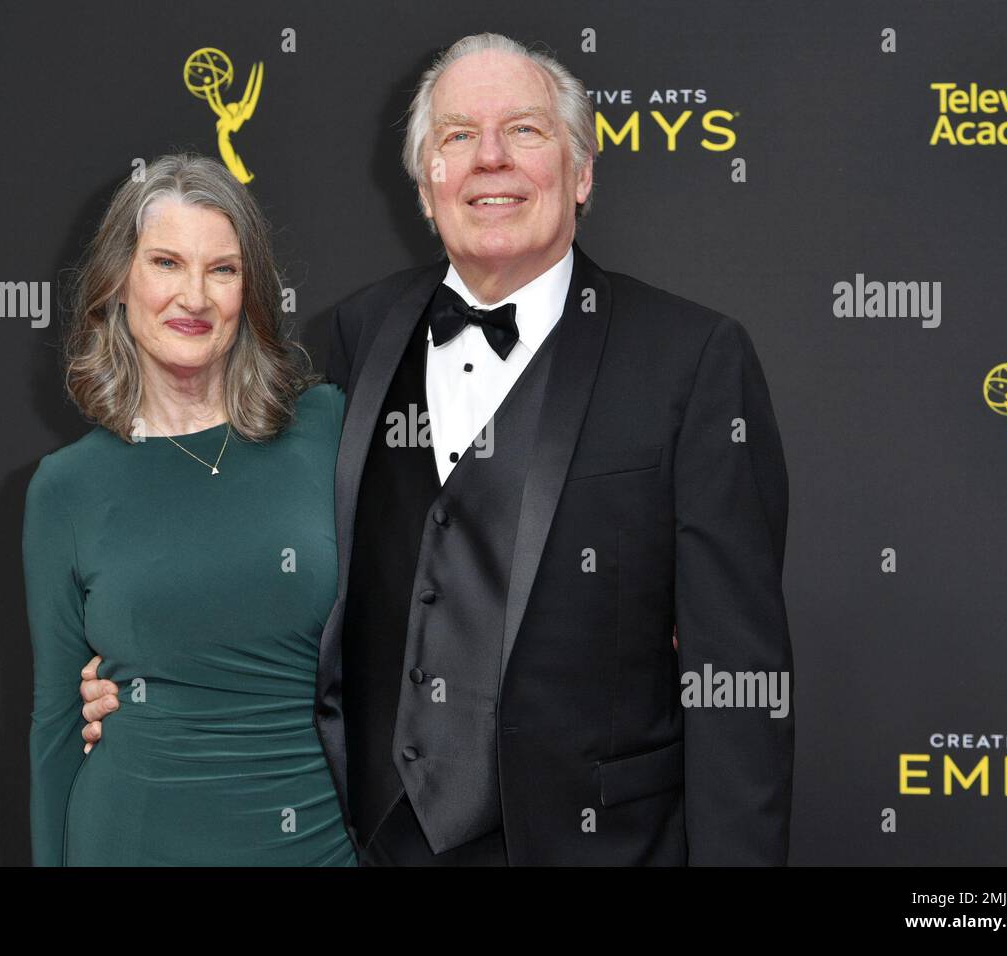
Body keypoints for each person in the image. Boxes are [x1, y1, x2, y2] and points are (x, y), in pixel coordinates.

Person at [83, 32, 795, 865]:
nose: (489, 159)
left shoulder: (692, 358)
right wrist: (144, 665)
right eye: (458, 136)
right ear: (428, 186)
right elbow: (263, 557)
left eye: (524, 131)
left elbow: (740, 686)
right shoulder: (356, 337)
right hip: (371, 844)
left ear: (583, 172)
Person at [23, 153, 355, 866]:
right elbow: (56, 728)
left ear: (251, 290)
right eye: (167, 263)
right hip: (132, 840)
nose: (194, 297)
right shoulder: (66, 488)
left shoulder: (327, 428)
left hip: (315, 845)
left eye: (223, 269)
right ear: (118, 283)